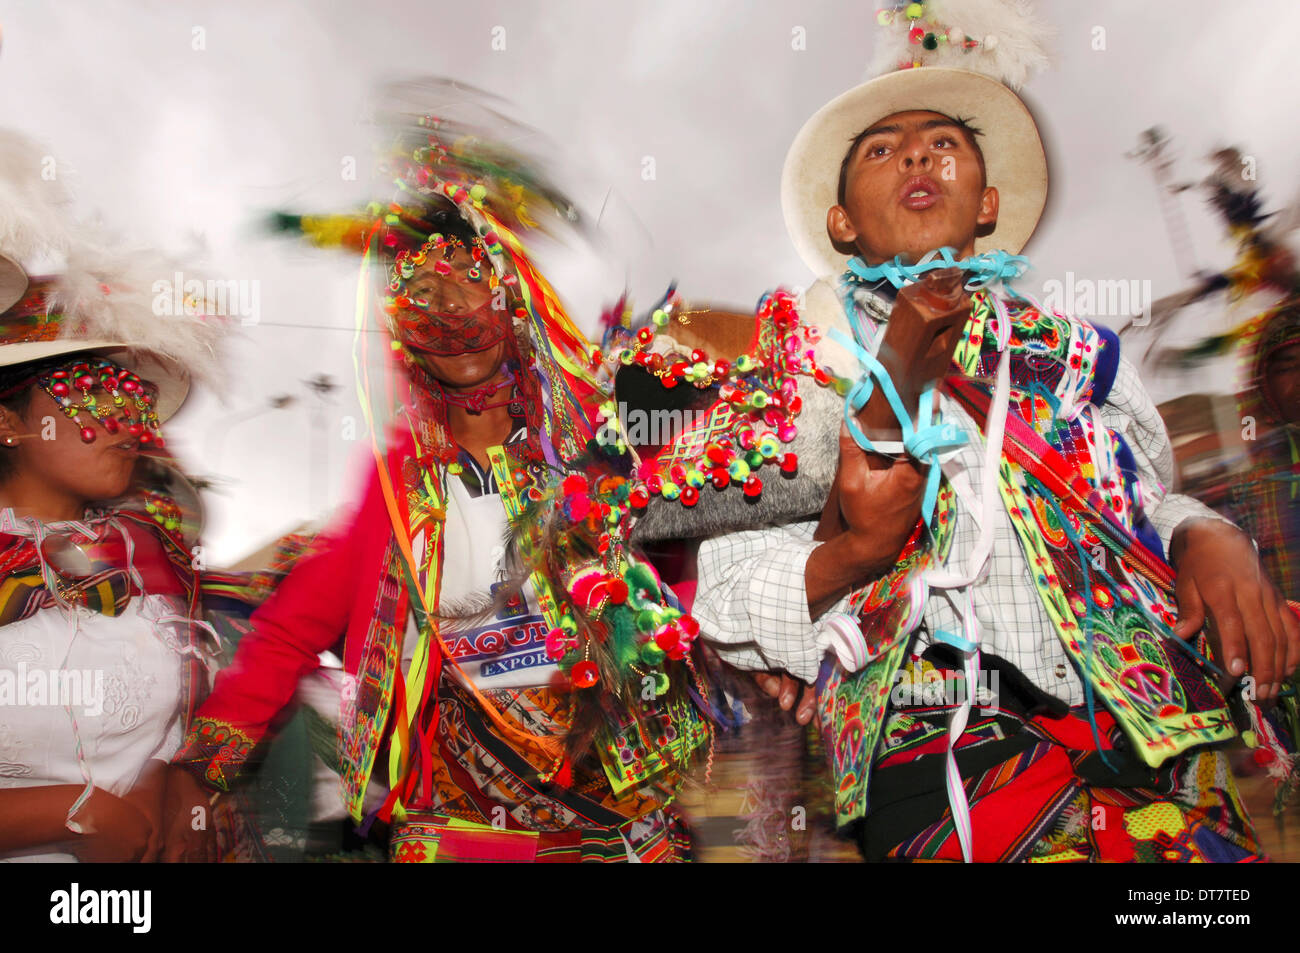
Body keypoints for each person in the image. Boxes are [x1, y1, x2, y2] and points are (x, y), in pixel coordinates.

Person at [692, 0, 1299, 862]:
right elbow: (727, 589)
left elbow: (1139, 503)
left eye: (946, 143)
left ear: (988, 203)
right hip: (942, 759)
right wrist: (853, 554)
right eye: (880, 147)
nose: (916, 154)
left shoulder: (1081, 356)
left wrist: (1205, 529)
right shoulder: (798, 375)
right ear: (842, 224)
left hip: (1149, 741)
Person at [173, 100, 711, 863]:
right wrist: (203, 768)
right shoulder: (395, 485)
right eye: (421, 292)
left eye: (469, 281)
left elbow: (683, 570)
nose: (448, 306)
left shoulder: (598, 449)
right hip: (460, 830)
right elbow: (292, 626)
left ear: (513, 297)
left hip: (613, 819)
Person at [0, 193, 224, 862]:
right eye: (96, 393)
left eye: (136, 398)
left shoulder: (151, 567)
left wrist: (177, 775)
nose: (129, 423)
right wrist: (67, 815)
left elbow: (180, 725)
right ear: (9, 421)